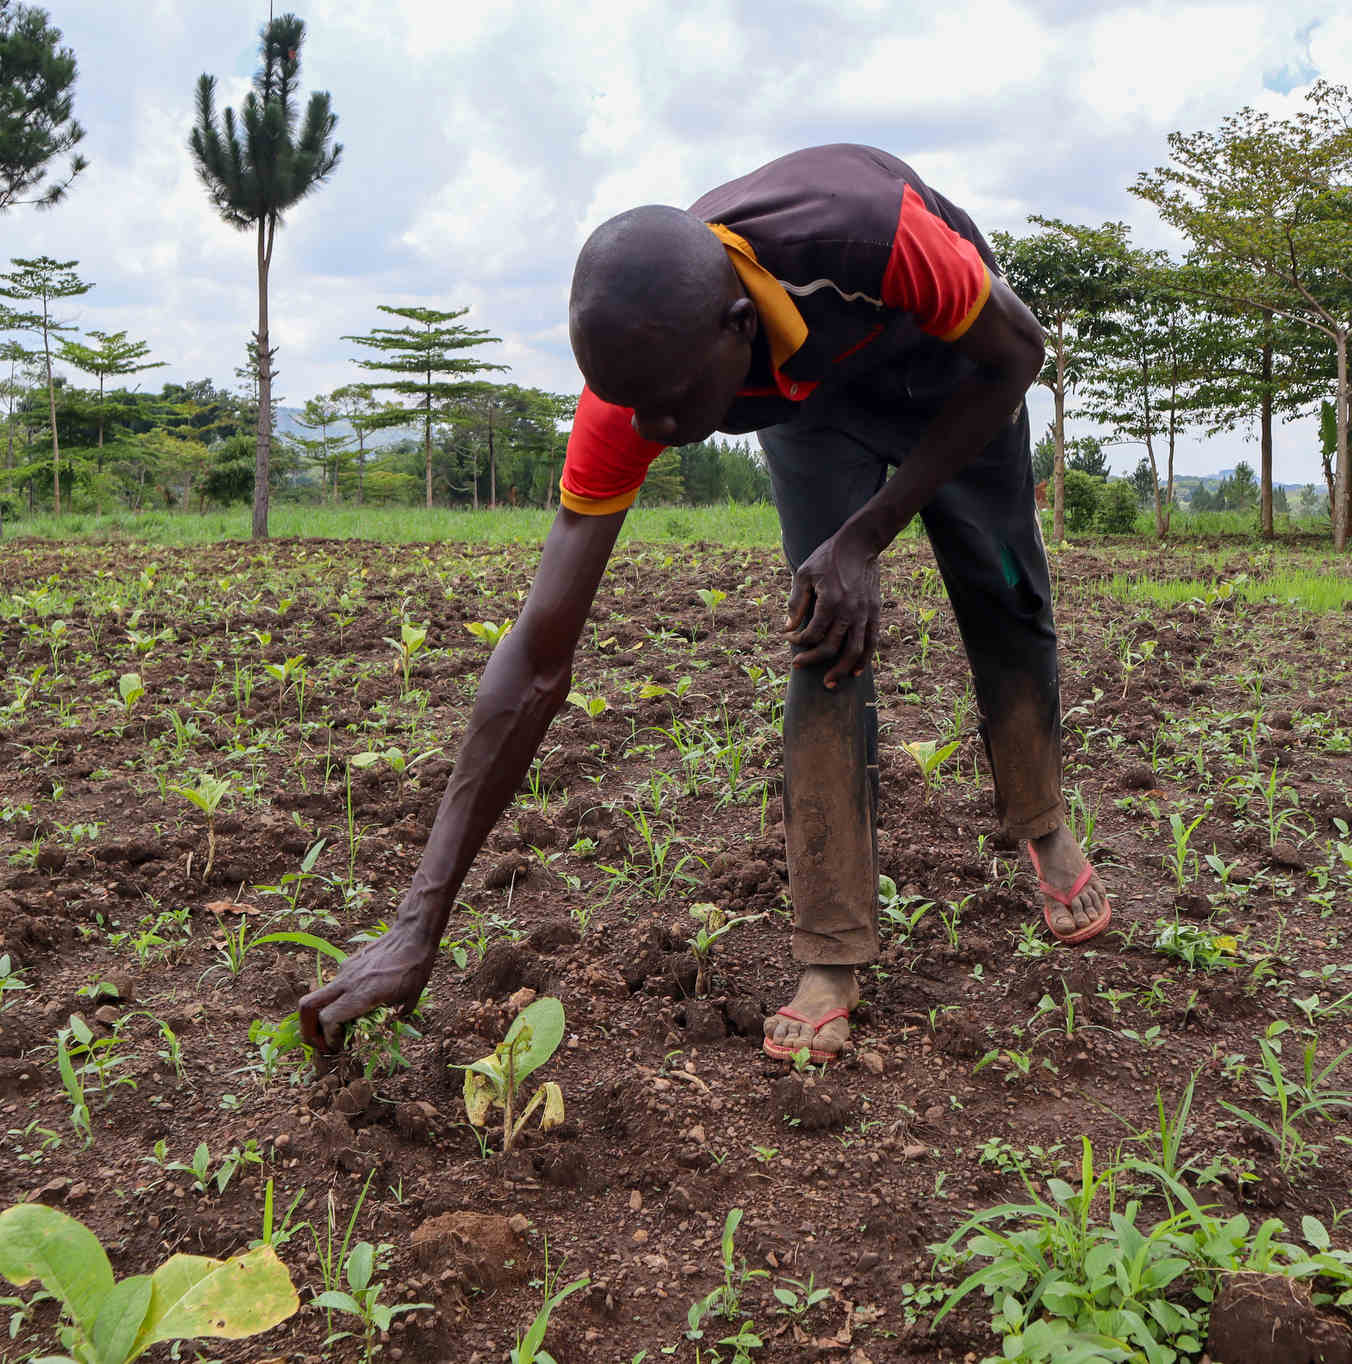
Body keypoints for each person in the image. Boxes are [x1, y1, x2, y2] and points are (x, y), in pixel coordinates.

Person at [300, 144, 1110, 1064]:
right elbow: (537, 656)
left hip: (958, 369)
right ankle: (833, 952)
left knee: (1005, 592)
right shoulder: (641, 382)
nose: (652, 432)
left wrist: (867, 535)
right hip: (813, 408)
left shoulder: (871, 234)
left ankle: (1042, 824)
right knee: (826, 635)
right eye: (628, 405)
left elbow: (1021, 354)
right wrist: (419, 923)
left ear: (735, 326)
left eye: (671, 405)